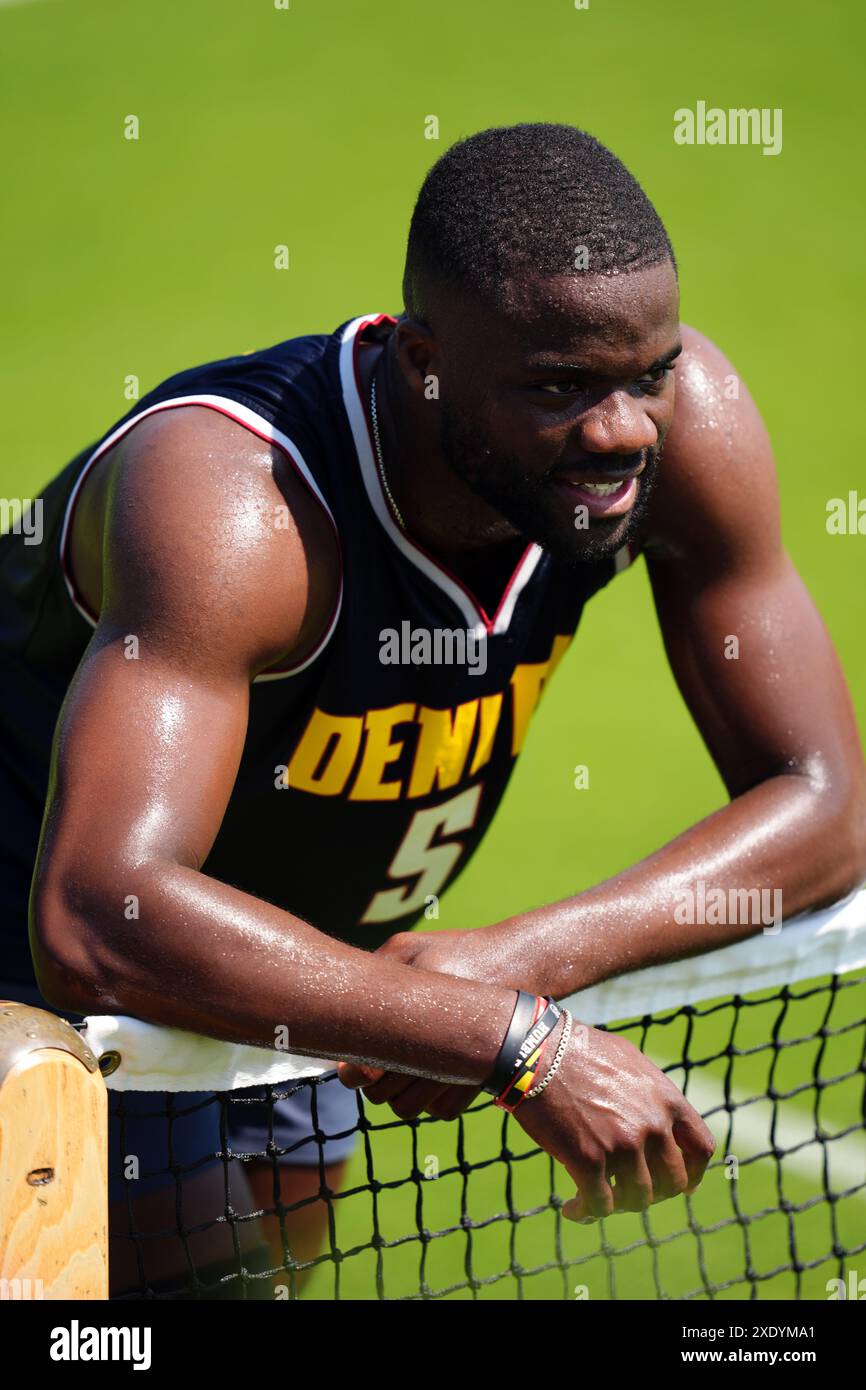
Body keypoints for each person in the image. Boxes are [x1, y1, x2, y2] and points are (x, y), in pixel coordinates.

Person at [3, 124, 864, 1297]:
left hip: (309, 974)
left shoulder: (681, 432)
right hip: (65, 981)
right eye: (557, 387)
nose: (619, 432)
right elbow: (101, 910)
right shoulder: (233, 508)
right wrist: (512, 1041)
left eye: (646, 371)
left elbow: (823, 808)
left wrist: (513, 965)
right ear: (422, 360)